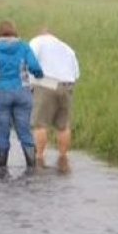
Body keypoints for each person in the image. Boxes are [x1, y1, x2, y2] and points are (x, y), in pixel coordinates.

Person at [0, 20, 44, 177]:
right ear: (15, 32)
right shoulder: (24, 47)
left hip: (1, 94)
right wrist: (38, 75)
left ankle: (1, 170)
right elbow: (34, 67)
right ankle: (31, 169)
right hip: (23, 93)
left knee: (2, 131)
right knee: (25, 130)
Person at [29, 28, 80, 173]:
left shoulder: (36, 42)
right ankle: (63, 158)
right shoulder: (67, 48)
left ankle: (39, 158)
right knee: (63, 125)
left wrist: (30, 83)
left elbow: (30, 63)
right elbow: (76, 73)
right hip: (67, 85)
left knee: (40, 124)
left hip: (46, 83)